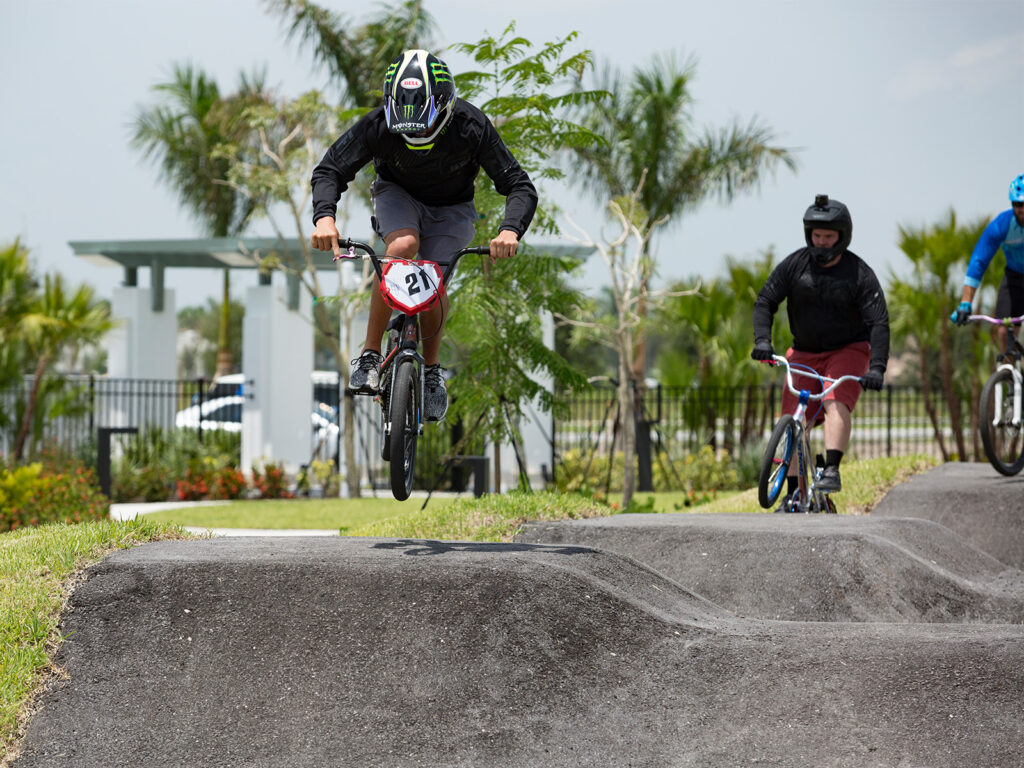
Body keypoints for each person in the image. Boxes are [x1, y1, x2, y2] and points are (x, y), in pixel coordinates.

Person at [310, 49, 538, 422]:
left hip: (453, 209)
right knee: (402, 248)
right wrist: (324, 219)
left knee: (431, 280)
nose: (417, 136)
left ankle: (432, 373)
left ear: (445, 109)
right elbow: (330, 169)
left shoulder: (471, 125)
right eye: (408, 131)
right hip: (398, 195)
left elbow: (519, 185)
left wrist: (510, 230)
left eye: (426, 129)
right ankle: (369, 354)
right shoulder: (378, 125)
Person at [751, 194, 889, 506]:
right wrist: (762, 341)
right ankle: (793, 493)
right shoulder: (795, 265)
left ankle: (833, 469)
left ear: (842, 236)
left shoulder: (859, 274)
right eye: (817, 236)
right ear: (808, 234)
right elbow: (765, 301)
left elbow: (879, 322)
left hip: (848, 350)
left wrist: (877, 367)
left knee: (833, 400)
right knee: (793, 419)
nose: (822, 243)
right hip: (803, 352)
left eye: (829, 237)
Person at [951, 174, 1024, 352]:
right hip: (1013, 278)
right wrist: (965, 303)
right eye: (1018, 204)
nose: (1022, 210)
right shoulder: (1001, 225)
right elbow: (979, 261)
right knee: (1004, 330)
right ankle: (1008, 374)